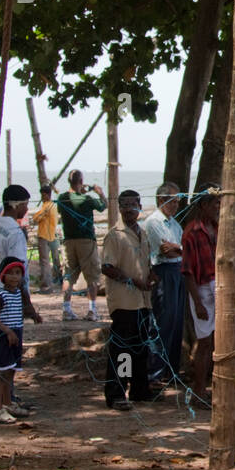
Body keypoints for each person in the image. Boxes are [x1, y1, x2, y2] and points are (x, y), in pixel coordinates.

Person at [101, 190, 155, 411]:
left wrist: (150, 276)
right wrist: (133, 281)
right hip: (124, 302)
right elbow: (107, 267)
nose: (128, 209)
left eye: (132, 205)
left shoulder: (142, 234)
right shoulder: (115, 235)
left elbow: (146, 264)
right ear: (119, 207)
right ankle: (117, 393)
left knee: (140, 347)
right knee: (122, 350)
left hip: (143, 301)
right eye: (124, 205)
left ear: (139, 206)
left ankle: (140, 390)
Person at [181, 190, 220, 403]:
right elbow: (187, 271)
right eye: (214, 203)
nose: (218, 207)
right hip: (202, 288)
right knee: (204, 342)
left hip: (217, 286)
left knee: (216, 341)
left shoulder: (216, 228)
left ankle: (210, 386)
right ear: (203, 205)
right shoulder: (192, 233)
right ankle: (198, 391)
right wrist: (197, 302)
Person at [144, 183, 185, 384]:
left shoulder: (175, 224)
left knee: (176, 324)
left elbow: (178, 249)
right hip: (164, 271)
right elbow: (165, 250)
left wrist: (179, 248)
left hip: (177, 271)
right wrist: (180, 249)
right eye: (173, 201)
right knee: (162, 323)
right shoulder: (154, 222)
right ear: (161, 200)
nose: (176, 205)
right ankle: (155, 372)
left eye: (178, 202)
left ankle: (171, 370)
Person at [0, 257, 42, 424]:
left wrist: (34, 315)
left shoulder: (18, 293)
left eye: (18, 273)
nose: (14, 277)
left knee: (11, 370)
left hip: (17, 335)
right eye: (11, 273)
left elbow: (21, 311)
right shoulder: (1, 295)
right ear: (3, 276)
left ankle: (8, 403)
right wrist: (7, 331)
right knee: (2, 373)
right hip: (4, 337)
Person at [57, 170, 107, 321]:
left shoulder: (62, 198)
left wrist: (79, 192)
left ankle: (66, 310)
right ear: (81, 181)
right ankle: (92, 311)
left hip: (68, 241)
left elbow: (62, 208)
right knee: (92, 276)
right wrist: (100, 193)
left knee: (68, 276)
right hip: (86, 241)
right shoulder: (87, 199)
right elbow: (103, 206)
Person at [0, 185, 31, 295]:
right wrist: (25, 299)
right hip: (8, 294)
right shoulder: (15, 233)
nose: (27, 209)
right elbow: (17, 267)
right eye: (25, 205)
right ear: (16, 206)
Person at [31, 185, 61, 291]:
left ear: (48, 195)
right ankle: (56, 280)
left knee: (44, 261)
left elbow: (36, 217)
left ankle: (46, 285)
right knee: (54, 259)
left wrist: (36, 217)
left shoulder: (47, 206)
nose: (42, 197)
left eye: (43, 195)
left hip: (44, 235)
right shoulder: (52, 205)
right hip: (51, 235)